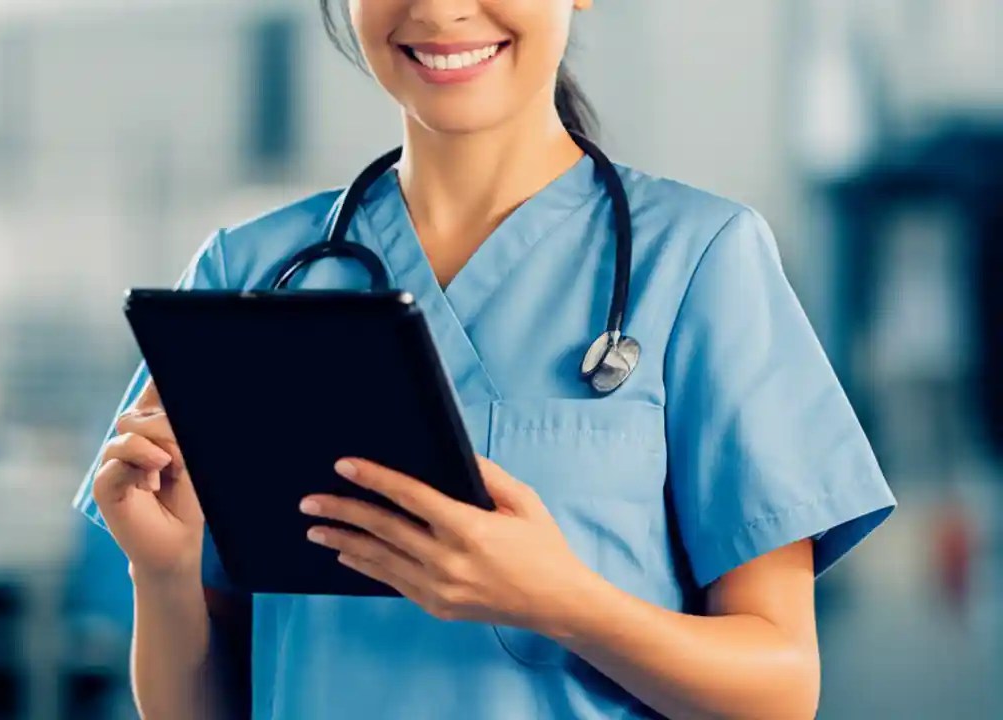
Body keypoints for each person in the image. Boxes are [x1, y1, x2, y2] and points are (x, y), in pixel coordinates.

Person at [73, 1, 897, 718]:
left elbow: (782, 690)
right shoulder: (244, 276)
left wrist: (565, 603)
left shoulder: (698, 260)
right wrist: (166, 572)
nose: (439, 9)